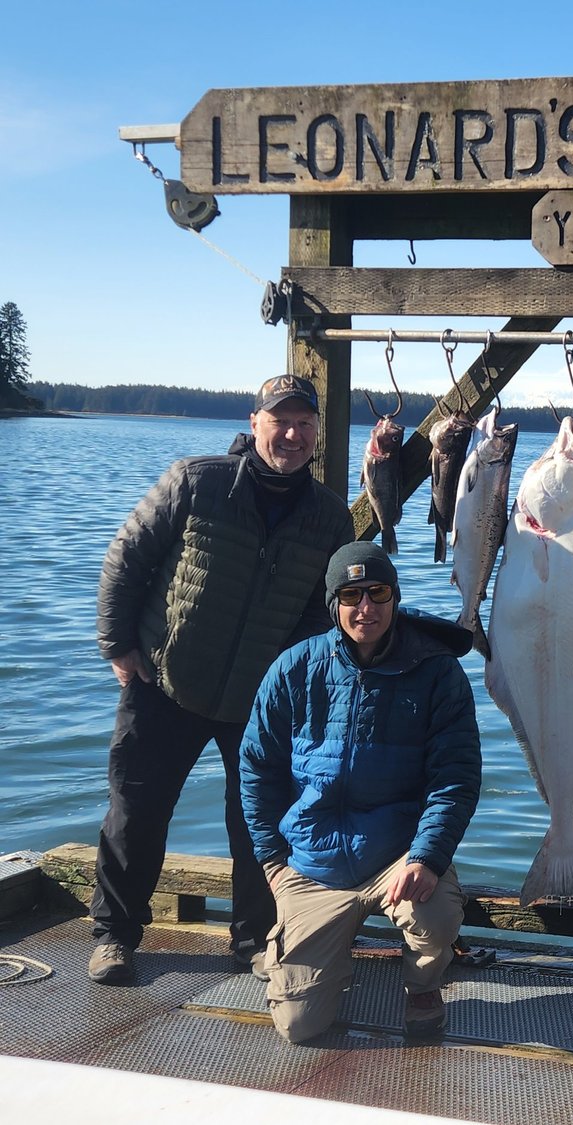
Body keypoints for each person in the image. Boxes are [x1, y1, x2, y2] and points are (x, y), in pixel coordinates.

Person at [90, 374, 354, 985]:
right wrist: (119, 646)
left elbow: (323, 613)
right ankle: (114, 937)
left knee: (260, 823)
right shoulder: (197, 481)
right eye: (280, 420)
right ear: (254, 422)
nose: (292, 434)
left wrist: (298, 685)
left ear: (316, 433)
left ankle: (255, 942)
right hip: (164, 684)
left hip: (259, 702)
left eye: (305, 423)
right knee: (135, 813)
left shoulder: (329, 517)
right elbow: (125, 560)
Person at [240, 542, 481, 1042]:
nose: (365, 608)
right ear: (333, 604)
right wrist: (271, 862)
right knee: (299, 1027)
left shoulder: (439, 672)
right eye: (351, 595)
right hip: (313, 862)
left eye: (377, 592)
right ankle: (316, 954)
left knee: (432, 916)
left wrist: (427, 858)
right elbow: (256, 768)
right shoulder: (293, 668)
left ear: (395, 598)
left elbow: (454, 778)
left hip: (398, 854)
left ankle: (422, 985)